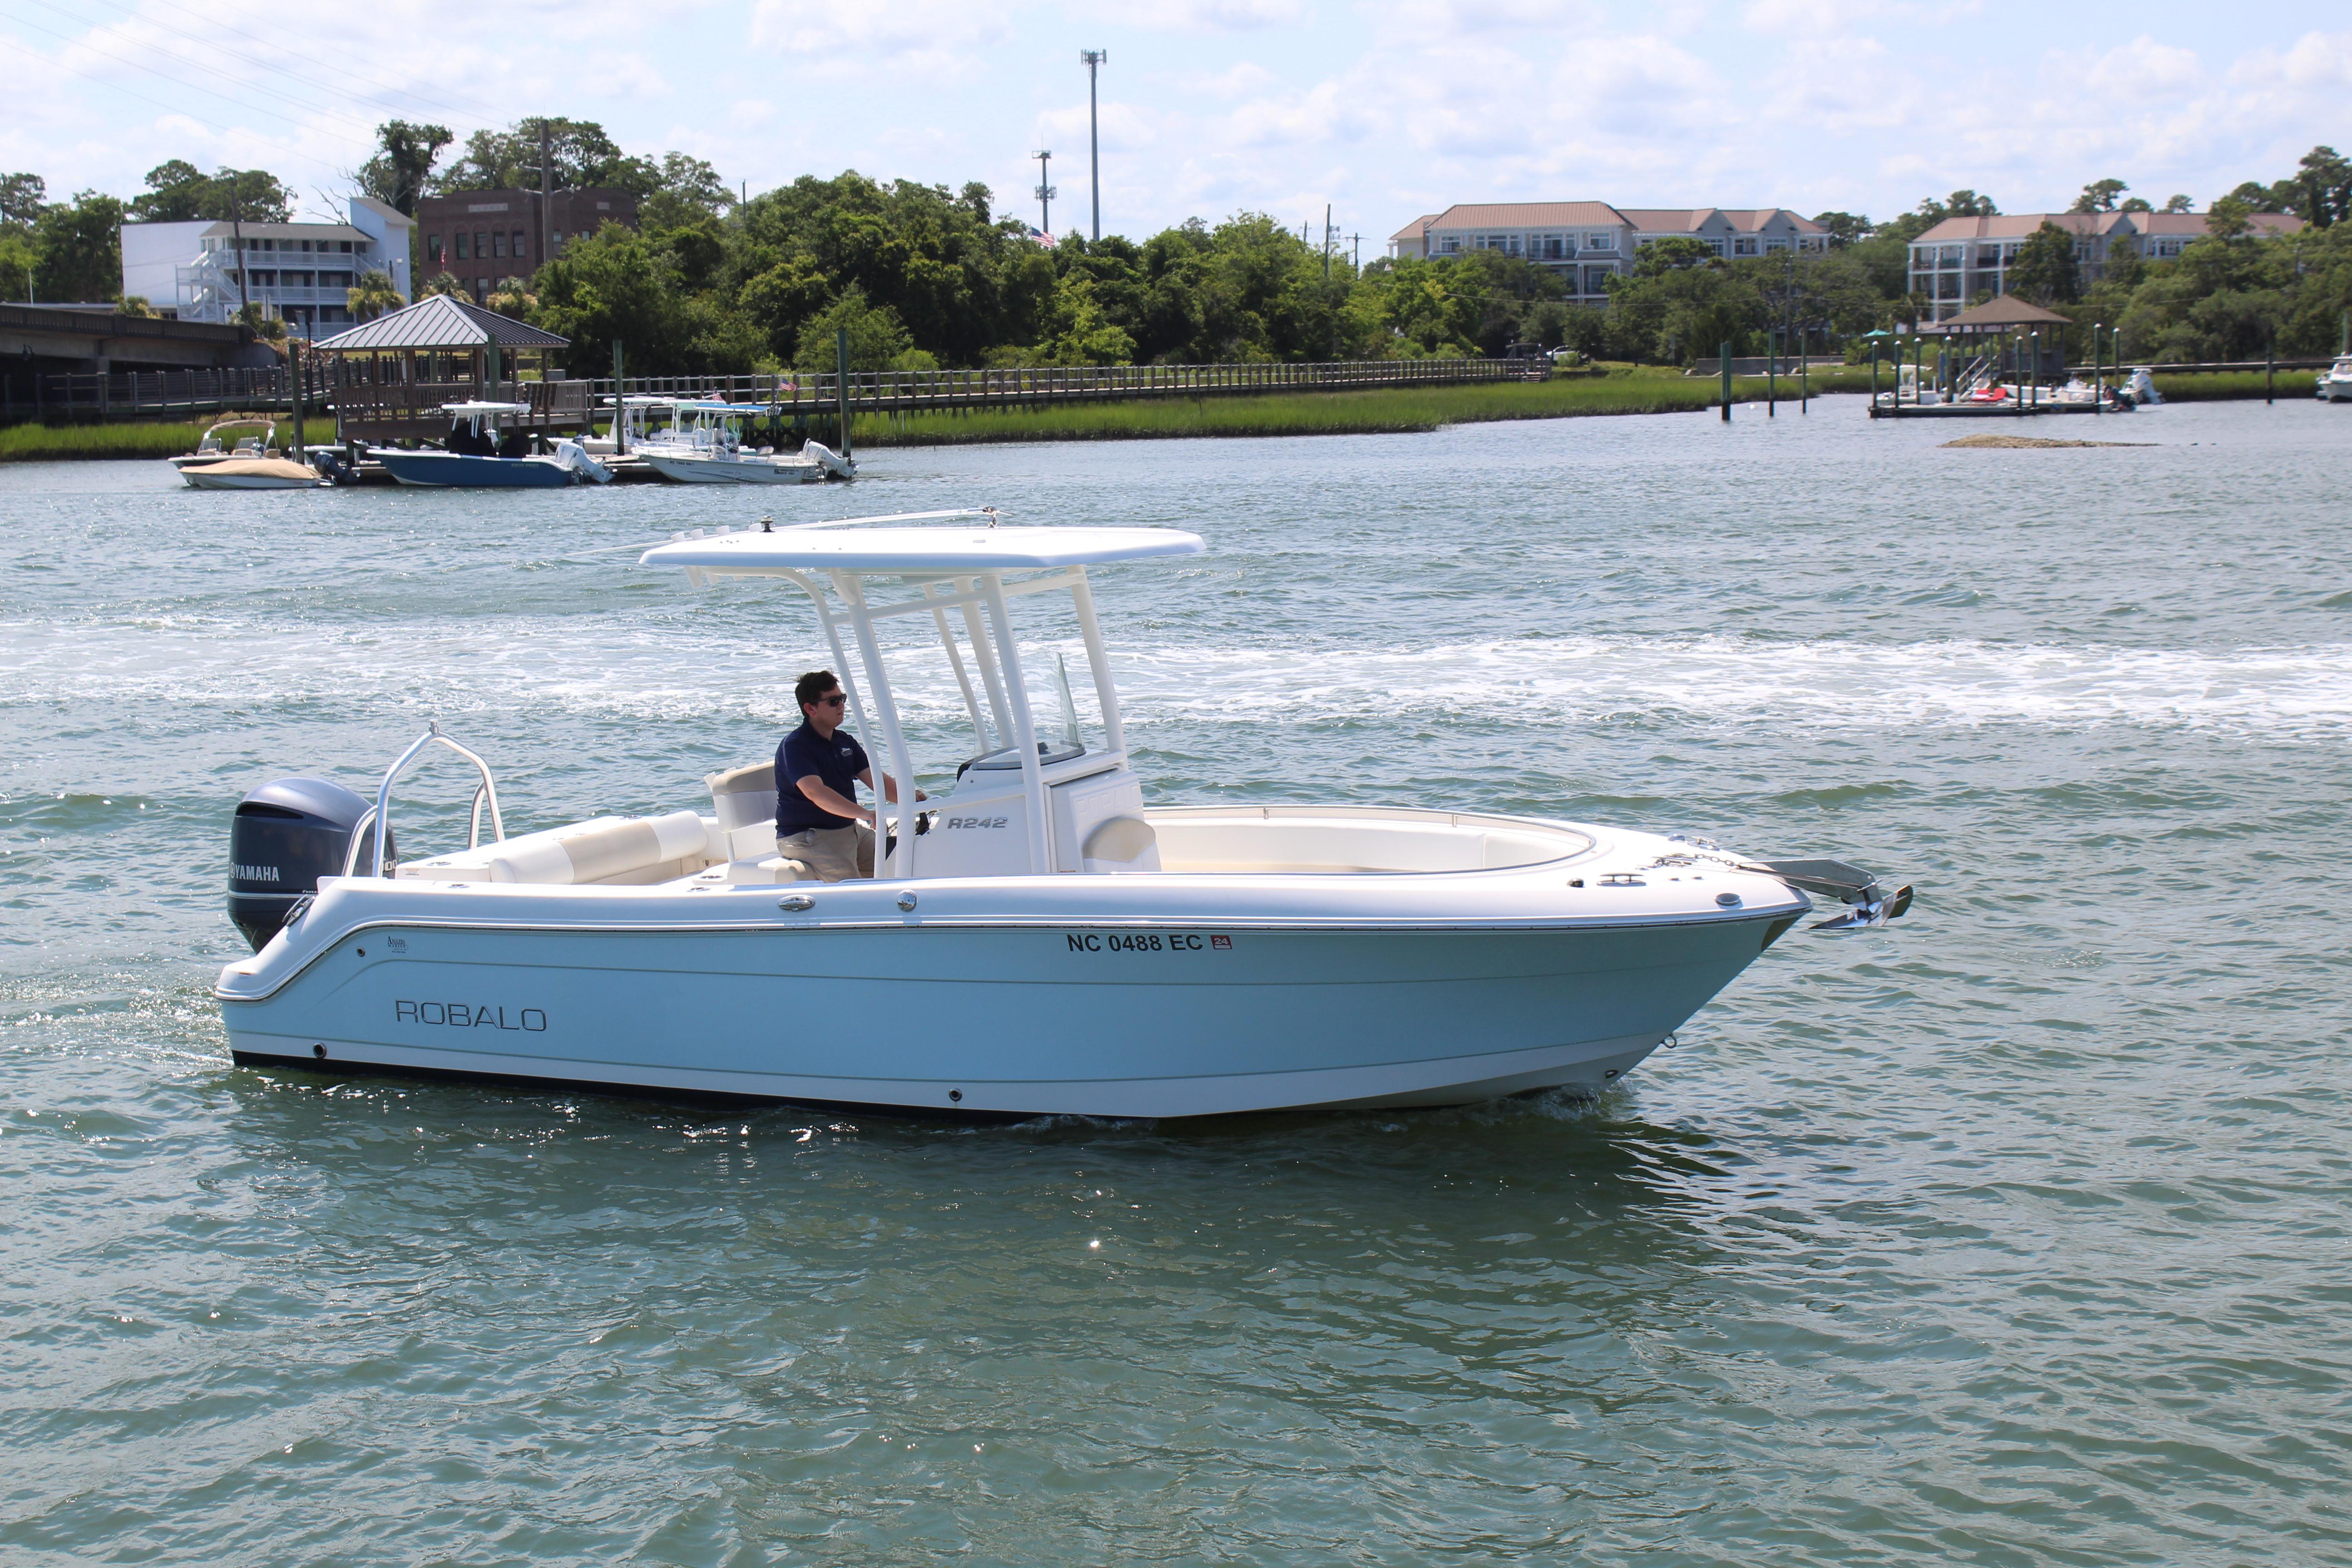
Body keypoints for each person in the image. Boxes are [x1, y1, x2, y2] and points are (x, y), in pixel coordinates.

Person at [774, 669, 923, 882]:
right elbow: (816, 793)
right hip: (808, 836)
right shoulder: (796, 747)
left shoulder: (844, 742)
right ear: (810, 709)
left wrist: (912, 799)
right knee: (853, 892)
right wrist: (866, 814)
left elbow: (877, 781)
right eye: (833, 701)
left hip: (848, 830)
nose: (841, 706)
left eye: (842, 699)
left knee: (904, 865)